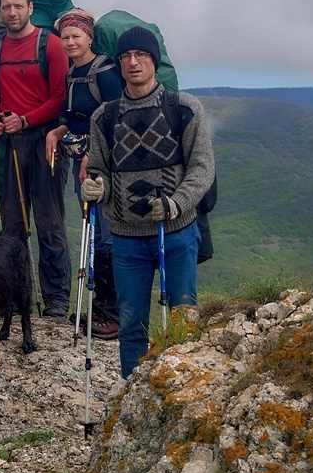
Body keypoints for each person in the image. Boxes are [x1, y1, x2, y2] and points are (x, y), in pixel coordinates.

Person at [81, 26, 215, 378]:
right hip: (126, 238)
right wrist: (96, 188)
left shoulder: (184, 109)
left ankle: (184, 392)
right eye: (125, 57)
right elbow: (99, 171)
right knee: (131, 326)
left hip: (176, 231)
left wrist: (175, 204)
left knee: (183, 319)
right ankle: (132, 396)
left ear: (154, 60)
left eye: (140, 55)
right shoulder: (104, 117)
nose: (132, 62)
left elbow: (202, 168)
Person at [0, 0, 72, 319]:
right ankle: (16, 299)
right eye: (7, 7)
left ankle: (56, 300)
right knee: (13, 226)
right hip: (10, 143)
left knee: (49, 221)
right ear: (0, 10)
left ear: (30, 8)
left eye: (18, 6)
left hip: (45, 140)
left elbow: (60, 98)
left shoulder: (53, 46)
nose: (13, 13)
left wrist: (26, 119)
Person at [42, 10, 125, 340]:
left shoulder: (104, 72)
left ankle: (113, 313)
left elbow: (116, 118)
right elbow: (72, 116)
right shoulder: (73, 72)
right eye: (65, 37)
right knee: (93, 229)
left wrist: (93, 156)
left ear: (90, 38)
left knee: (105, 234)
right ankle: (102, 308)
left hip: (103, 165)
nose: (71, 41)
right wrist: (55, 132)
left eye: (77, 36)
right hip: (82, 160)